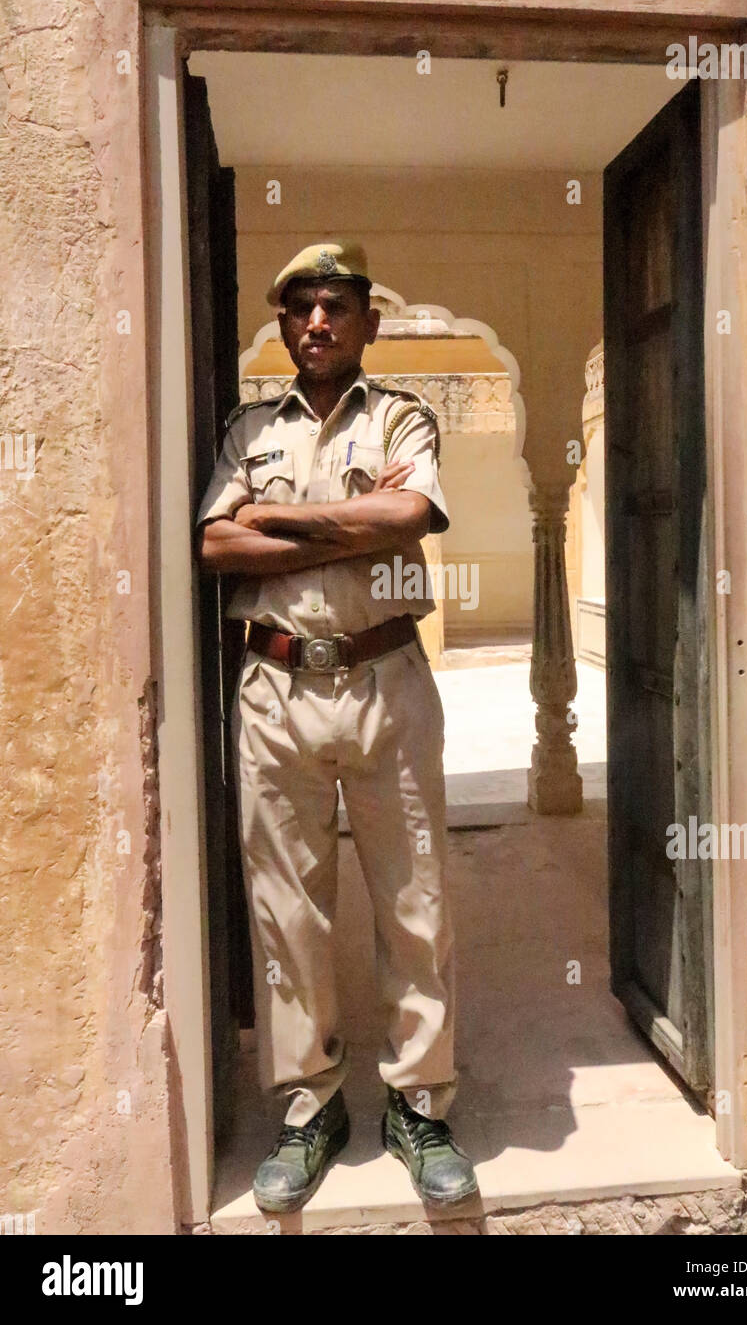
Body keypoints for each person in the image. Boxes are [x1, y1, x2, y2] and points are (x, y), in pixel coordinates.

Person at [195, 241, 478, 1214]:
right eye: (299, 308)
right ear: (286, 325)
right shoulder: (245, 429)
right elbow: (213, 542)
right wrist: (343, 519)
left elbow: (406, 513)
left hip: (385, 677)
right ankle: (310, 1108)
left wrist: (284, 519)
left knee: (415, 900)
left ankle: (417, 1104)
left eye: (333, 305)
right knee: (286, 911)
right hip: (272, 690)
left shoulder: (403, 414)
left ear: (367, 321)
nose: (315, 322)